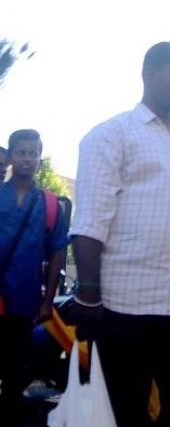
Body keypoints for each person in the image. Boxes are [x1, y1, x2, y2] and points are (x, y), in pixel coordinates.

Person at [66, 42, 170, 427]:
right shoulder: (112, 134)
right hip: (125, 304)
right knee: (124, 410)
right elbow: (89, 220)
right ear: (149, 73)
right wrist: (89, 295)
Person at [0, 130, 68, 421]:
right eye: (21, 152)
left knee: (16, 367)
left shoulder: (51, 204)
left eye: (33, 153)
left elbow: (57, 253)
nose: (27, 158)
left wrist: (47, 300)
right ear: (11, 157)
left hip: (24, 300)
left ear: (39, 160)